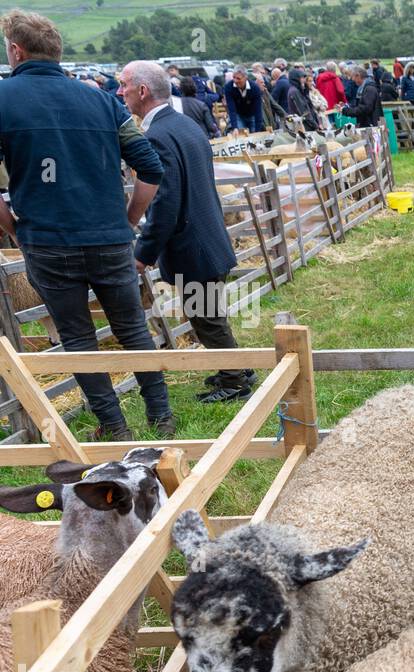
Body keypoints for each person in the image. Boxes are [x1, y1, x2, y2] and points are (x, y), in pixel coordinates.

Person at [0, 13, 171, 441]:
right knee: (131, 326)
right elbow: (150, 168)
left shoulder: (3, 98)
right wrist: (127, 220)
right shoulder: (103, 100)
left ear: (16, 51)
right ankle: (162, 416)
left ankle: (115, 427)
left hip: (47, 238)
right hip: (109, 235)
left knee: (77, 336)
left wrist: (14, 231)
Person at [121, 61, 249, 404]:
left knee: (206, 317)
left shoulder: (157, 136)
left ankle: (235, 381)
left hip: (192, 244)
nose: (121, 92)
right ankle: (235, 367)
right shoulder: (185, 125)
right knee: (211, 312)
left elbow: (165, 204)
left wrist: (142, 255)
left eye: (125, 86)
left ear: (143, 91)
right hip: (207, 237)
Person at [223, 67, 263, 132]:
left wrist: (257, 131)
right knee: (240, 135)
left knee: (255, 136)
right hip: (238, 115)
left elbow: (258, 111)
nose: (235, 81)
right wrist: (235, 127)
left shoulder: (255, 88)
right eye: (234, 77)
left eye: (238, 78)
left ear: (246, 78)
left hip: (252, 115)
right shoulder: (228, 87)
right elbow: (231, 109)